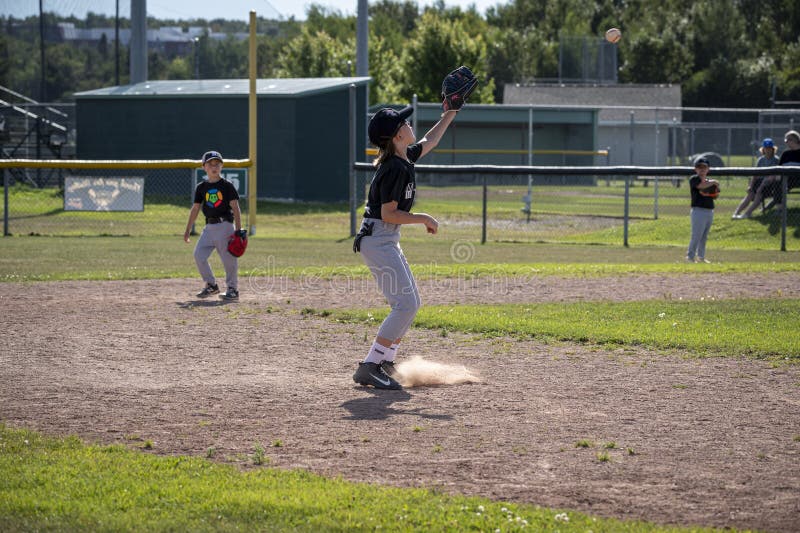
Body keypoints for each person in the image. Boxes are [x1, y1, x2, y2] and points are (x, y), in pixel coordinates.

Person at [351, 105, 459, 390]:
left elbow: (430, 141)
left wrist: (451, 112)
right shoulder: (394, 168)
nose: (410, 125)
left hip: (384, 238)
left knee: (411, 304)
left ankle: (385, 361)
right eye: (404, 122)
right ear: (398, 135)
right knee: (405, 304)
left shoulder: (403, 158)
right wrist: (423, 218)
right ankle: (370, 365)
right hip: (379, 238)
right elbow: (388, 214)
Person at [183, 150, 242, 300]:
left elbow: (235, 208)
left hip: (225, 225)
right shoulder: (201, 187)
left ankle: (232, 289)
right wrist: (188, 229)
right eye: (210, 164)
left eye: (217, 164)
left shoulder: (227, 186)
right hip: (209, 227)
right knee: (199, 255)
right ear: (204, 167)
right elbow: (195, 208)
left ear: (221, 166)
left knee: (228, 259)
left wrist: (238, 230)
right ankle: (211, 285)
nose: (214, 167)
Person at [732, 138, 779, 219]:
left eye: (769, 148)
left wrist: (760, 187)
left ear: (773, 149)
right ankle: (736, 213)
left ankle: (747, 214)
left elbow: (773, 176)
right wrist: (750, 186)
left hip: (769, 184)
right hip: (759, 182)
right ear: (763, 149)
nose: (768, 150)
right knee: (750, 195)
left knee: (758, 194)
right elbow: (755, 174)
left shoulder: (776, 159)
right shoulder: (761, 159)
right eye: (766, 148)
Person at [686, 156, 719, 263]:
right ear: (696, 169)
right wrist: (713, 183)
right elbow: (701, 186)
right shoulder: (694, 179)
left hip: (709, 211)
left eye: (704, 167)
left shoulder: (710, 181)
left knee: (704, 236)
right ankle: (690, 257)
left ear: (708, 169)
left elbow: (715, 196)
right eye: (699, 167)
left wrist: (714, 190)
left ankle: (701, 257)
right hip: (698, 211)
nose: (702, 169)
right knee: (696, 235)